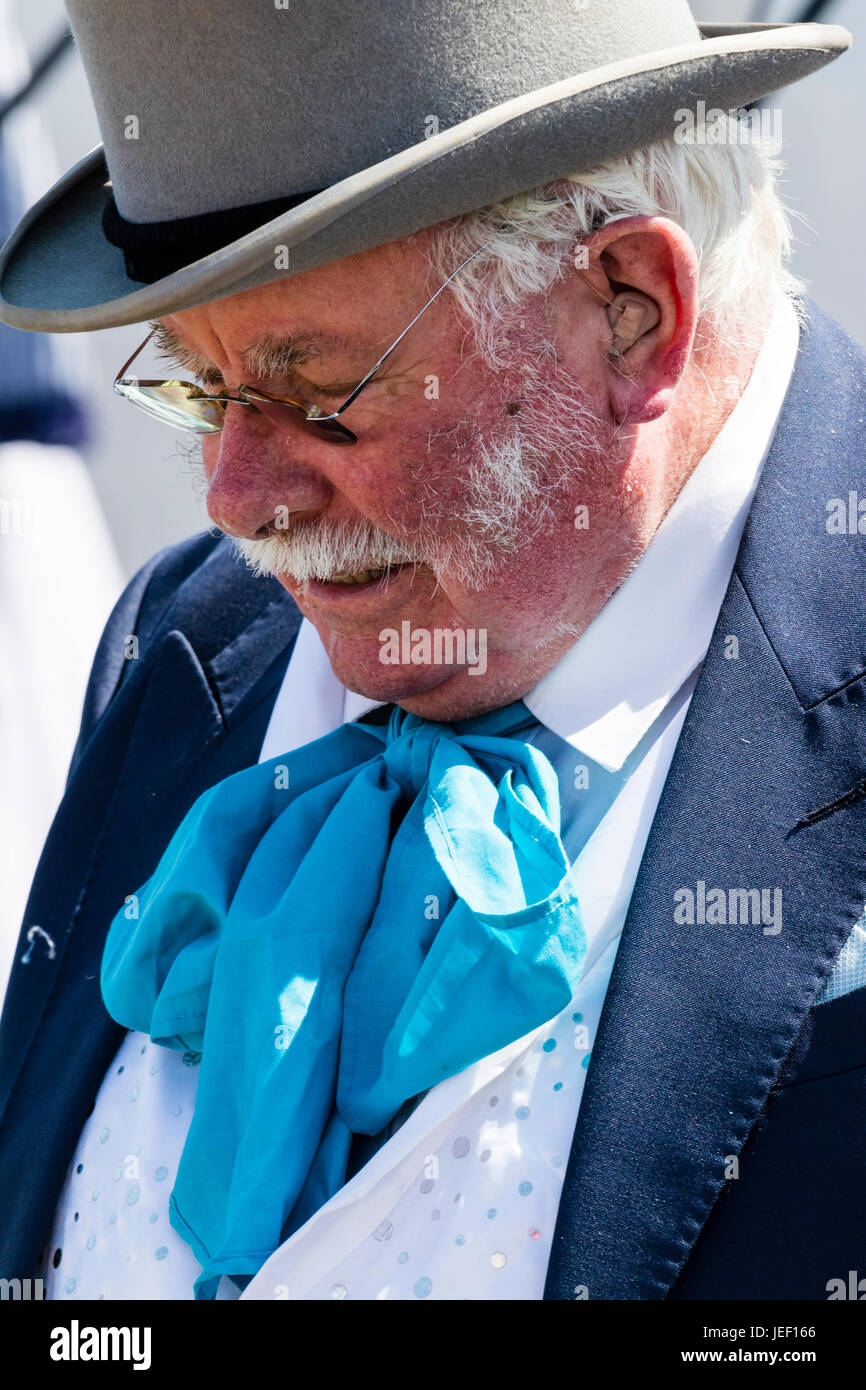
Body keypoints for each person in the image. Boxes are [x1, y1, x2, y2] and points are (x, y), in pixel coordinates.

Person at [0, 0, 863, 1301]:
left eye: (311, 389)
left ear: (632, 308)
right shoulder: (180, 641)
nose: (237, 500)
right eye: (194, 383)